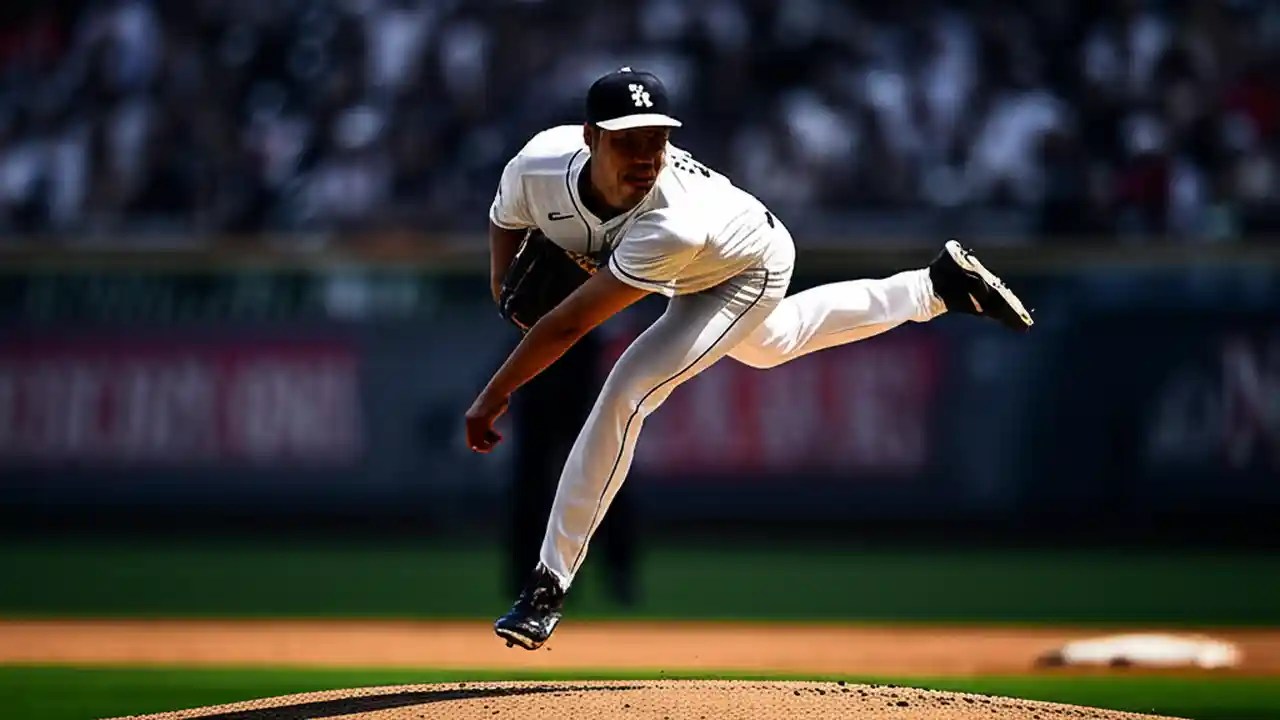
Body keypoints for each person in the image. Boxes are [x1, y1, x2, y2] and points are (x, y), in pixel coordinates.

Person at [466, 67, 1033, 651]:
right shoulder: (538, 165)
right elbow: (504, 220)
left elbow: (569, 324)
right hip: (688, 267)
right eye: (626, 140)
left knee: (626, 392)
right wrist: (500, 289)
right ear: (589, 138)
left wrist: (492, 396)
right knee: (772, 345)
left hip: (747, 266)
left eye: (656, 140)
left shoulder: (671, 219)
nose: (644, 156)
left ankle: (547, 585)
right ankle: (934, 287)